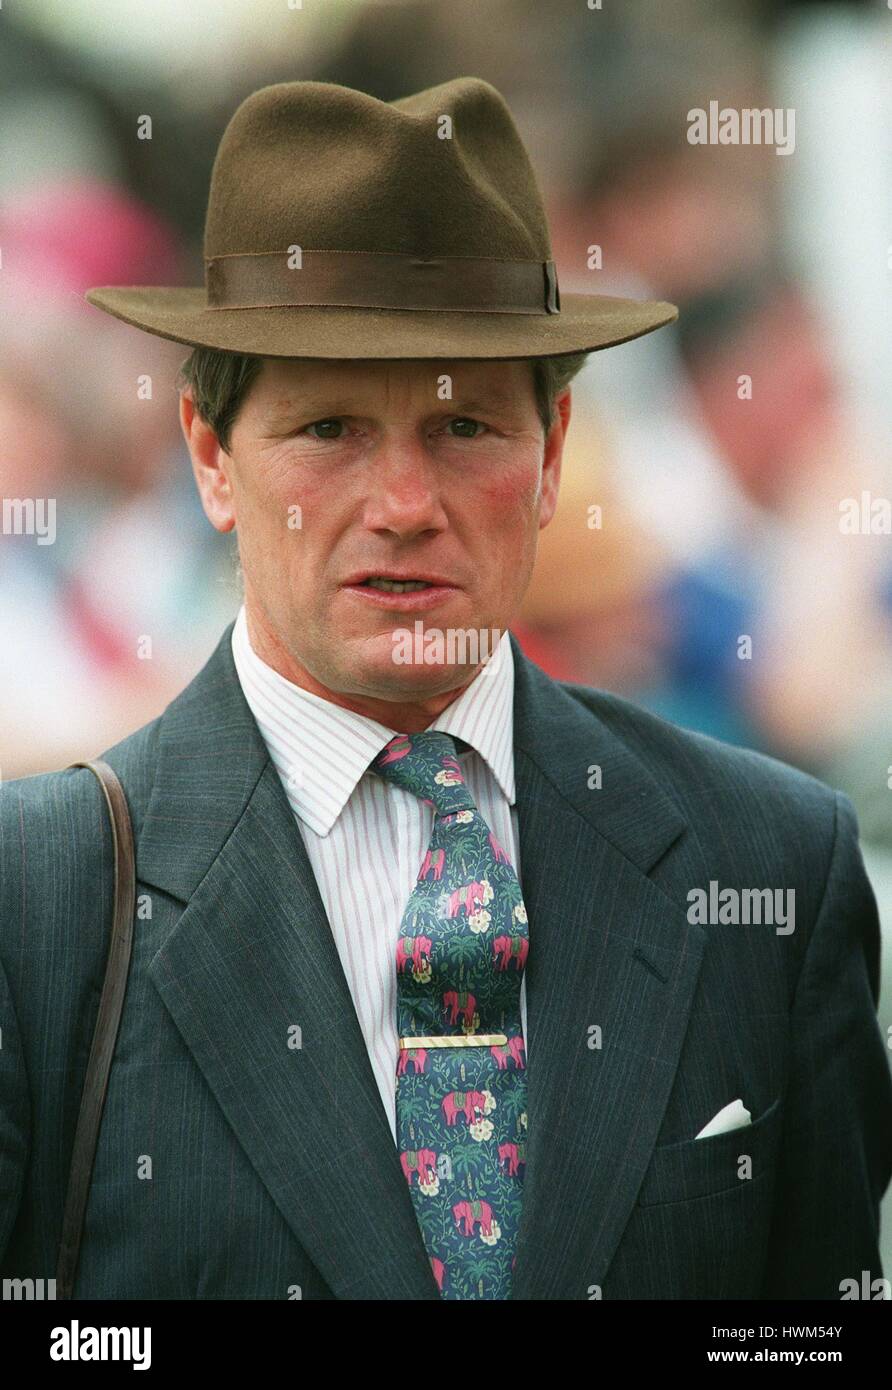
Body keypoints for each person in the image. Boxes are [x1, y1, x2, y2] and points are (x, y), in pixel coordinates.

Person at [1, 76, 889, 1302]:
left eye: (465, 427)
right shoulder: (39, 900)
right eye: (328, 430)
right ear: (210, 458)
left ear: (552, 456)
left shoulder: (770, 863)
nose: (406, 505)